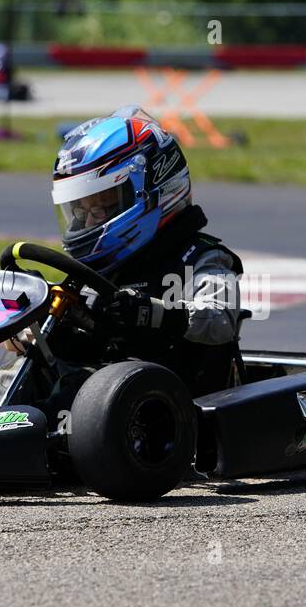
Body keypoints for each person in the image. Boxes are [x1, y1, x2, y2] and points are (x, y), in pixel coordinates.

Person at [47, 106, 244, 396]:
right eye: (81, 209)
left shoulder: (204, 257)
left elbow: (220, 320)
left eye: (103, 206)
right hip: (106, 395)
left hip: (171, 402)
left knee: (75, 390)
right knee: (38, 364)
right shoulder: (106, 269)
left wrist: (151, 312)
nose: (89, 221)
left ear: (151, 190)